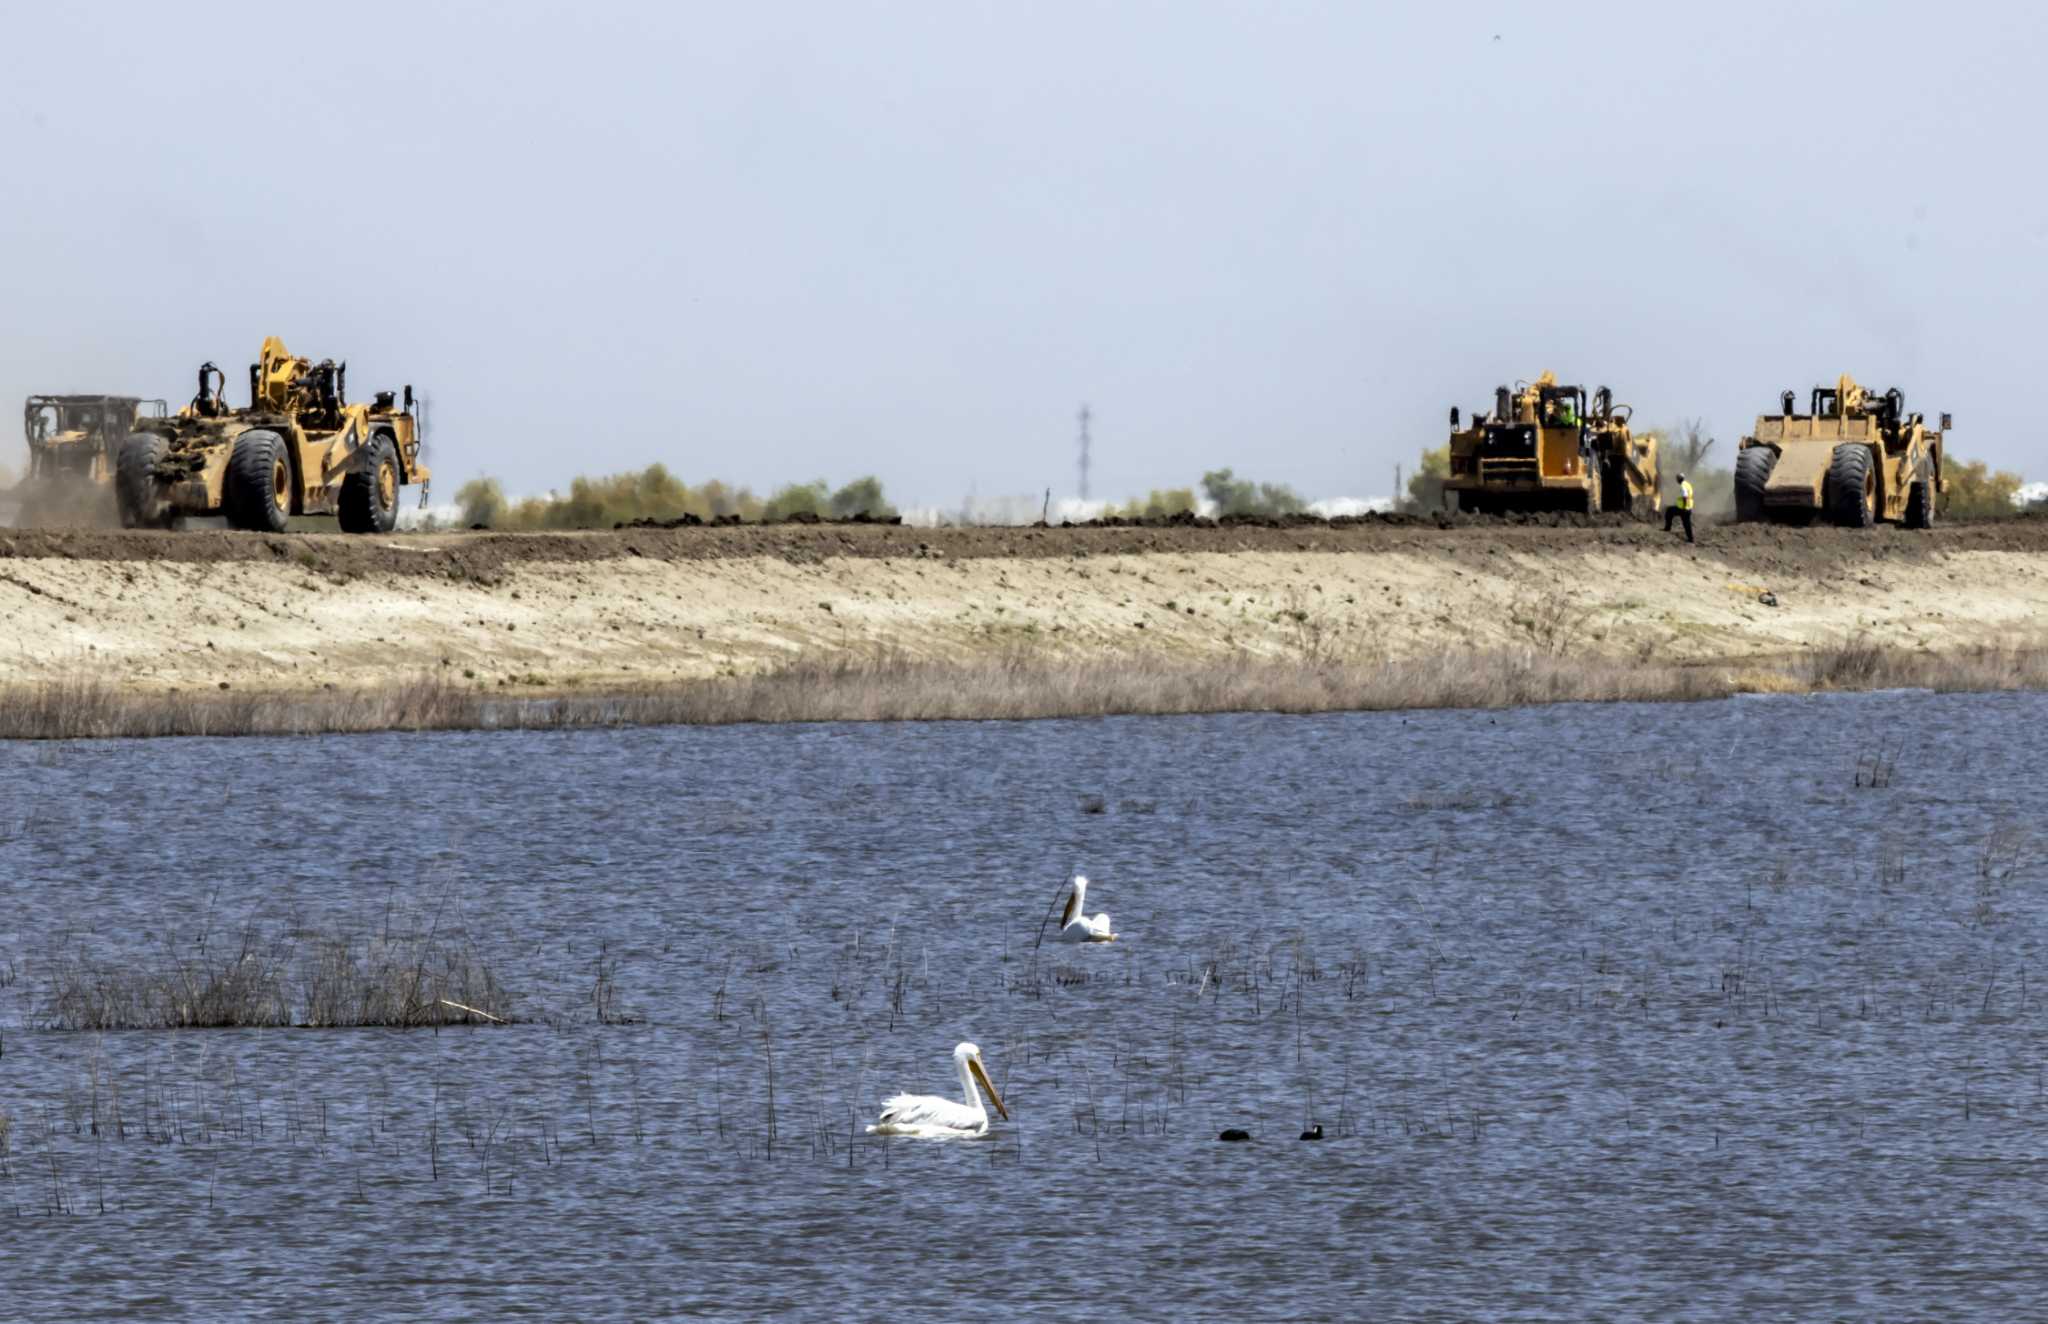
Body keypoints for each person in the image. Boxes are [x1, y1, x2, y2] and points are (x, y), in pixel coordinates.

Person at [1664, 472, 1695, 542]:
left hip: (1683, 508)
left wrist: (1684, 507)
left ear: (1679, 479)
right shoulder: (1688, 484)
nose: (1676, 480)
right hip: (1688, 507)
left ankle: (1667, 528)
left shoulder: (1683, 485)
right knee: (1686, 523)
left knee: (1669, 511)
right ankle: (1691, 538)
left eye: (1677, 479)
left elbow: (1685, 496)